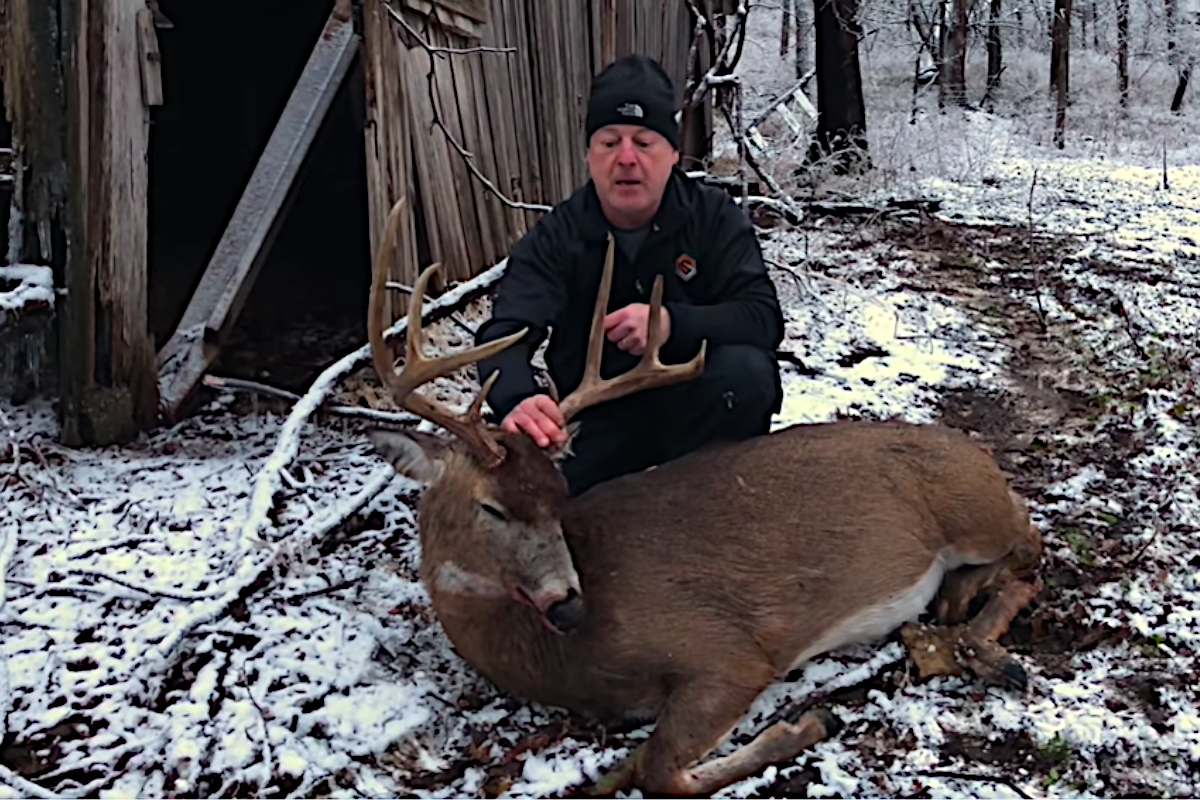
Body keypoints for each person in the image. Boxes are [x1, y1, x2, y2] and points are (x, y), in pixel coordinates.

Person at [475, 54, 784, 497]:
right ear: (589, 154)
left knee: (747, 373)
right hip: (598, 417)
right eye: (609, 142)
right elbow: (503, 332)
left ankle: (718, 508)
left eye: (644, 142)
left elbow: (762, 319)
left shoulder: (713, 217)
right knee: (527, 498)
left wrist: (671, 325)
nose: (626, 159)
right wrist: (517, 396)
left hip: (696, 411)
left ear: (673, 152)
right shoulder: (558, 235)